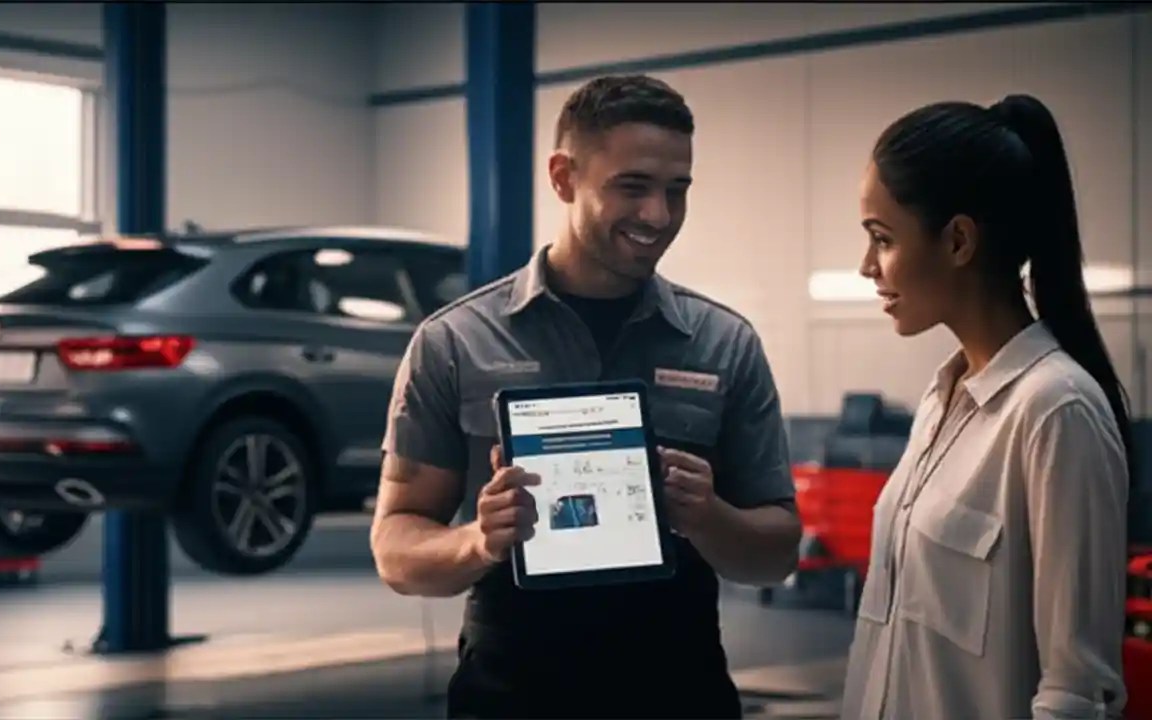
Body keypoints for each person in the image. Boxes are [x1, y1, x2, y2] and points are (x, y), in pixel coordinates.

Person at [370, 74, 802, 719]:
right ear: (563, 177)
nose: (658, 215)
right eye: (633, 186)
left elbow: (777, 553)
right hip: (509, 698)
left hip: (679, 694)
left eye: (676, 190)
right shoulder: (455, 342)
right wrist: (480, 541)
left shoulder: (723, 344)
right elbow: (396, 548)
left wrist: (709, 515)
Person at [841, 94, 1130, 720]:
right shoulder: (940, 402)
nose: (867, 267)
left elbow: (1077, 693)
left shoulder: (1055, 412)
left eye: (882, 239)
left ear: (958, 240)